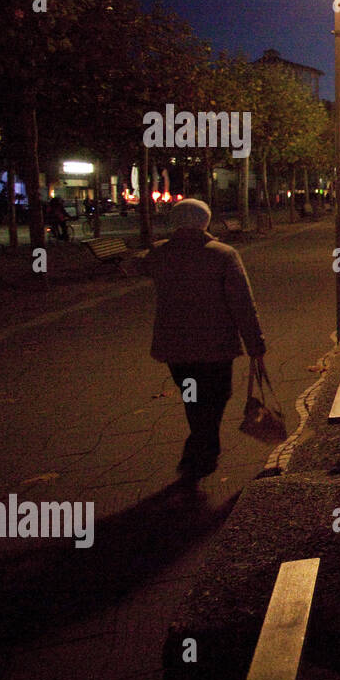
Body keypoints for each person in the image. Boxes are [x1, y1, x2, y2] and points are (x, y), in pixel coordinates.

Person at [134, 199, 266, 479]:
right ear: (206, 221)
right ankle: (203, 447)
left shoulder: (159, 254)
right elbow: (242, 302)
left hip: (176, 347)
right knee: (218, 394)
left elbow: (138, 265)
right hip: (215, 346)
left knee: (192, 396)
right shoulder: (222, 254)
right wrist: (255, 342)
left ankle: (200, 446)